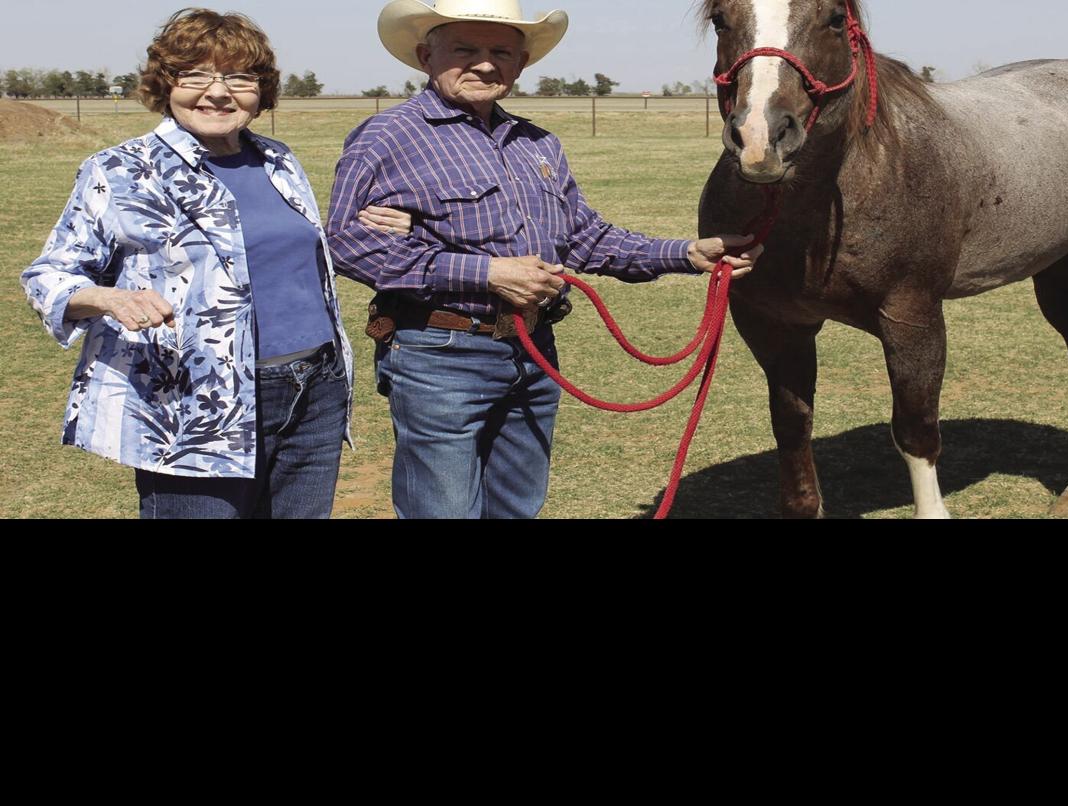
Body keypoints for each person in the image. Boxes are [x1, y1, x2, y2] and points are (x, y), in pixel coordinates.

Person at [328, 0, 760, 519]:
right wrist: (486, 273)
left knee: (517, 506)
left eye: (502, 52)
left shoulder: (537, 143)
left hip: (534, 353)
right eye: (465, 49)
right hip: (441, 354)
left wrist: (687, 253)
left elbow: (585, 238)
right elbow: (345, 242)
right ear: (426, 55)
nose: (485, 64)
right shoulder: (387, 137)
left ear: (521, 63)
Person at [19, 8, 407, 519]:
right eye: (195, 75)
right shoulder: (119, 170)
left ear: (261, 91)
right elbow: (48, 275)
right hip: (194, 398)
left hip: (315, 385)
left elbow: (286, 254)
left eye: (239, 78)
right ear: (166, 84)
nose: (218, 92)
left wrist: (374, 227)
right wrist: (108, 296)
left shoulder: (277, 160)